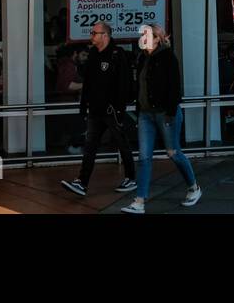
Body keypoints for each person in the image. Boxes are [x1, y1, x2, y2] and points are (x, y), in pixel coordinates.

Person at [122, 24, 201, 214]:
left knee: (173, 152)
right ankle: (139, 201)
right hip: (146, 115)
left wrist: (170, 113)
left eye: (147, 35)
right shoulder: (142, 58)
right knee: (144, 157)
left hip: (165, 113)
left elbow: (174, 87)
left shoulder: (168, 57)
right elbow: (140, 86)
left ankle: (193, 187)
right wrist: (138, 107)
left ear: (157, 38)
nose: (143, 38)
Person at [61, 22, 136, 198]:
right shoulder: (93, 54)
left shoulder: (117, 55)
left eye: (95, 33)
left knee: (122, 143)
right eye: (91, 33)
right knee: (90, 146)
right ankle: (82, 182)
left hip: (111, 111)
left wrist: (118, 108)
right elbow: (88, 82)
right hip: (95, 110)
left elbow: (124, 84)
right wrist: (84, 105)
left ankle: (131, 177)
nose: (91, 36)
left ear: (105, 35)